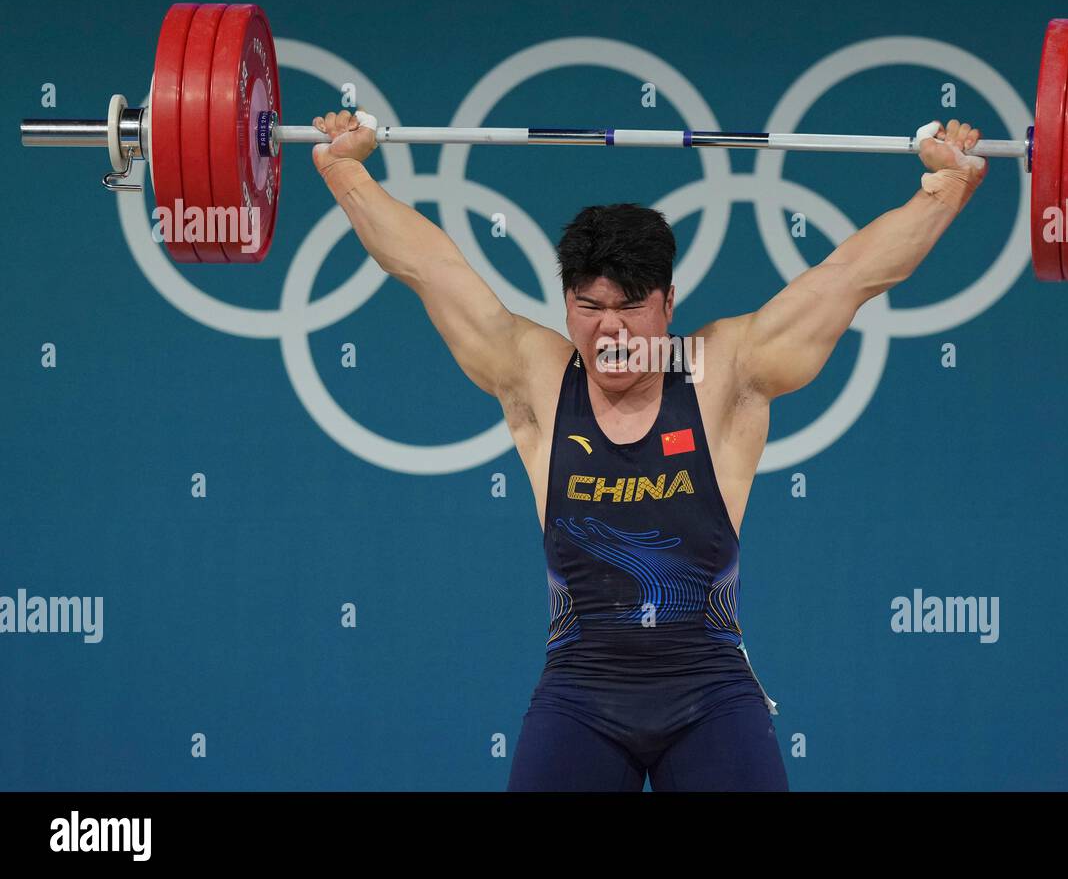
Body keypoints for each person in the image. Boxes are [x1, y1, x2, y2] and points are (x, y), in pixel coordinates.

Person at [311, 110, 987, 790]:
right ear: (566, 302)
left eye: (630, 306)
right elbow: (431, 269)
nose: (609, 328)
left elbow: (850, 277)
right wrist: (345, 170)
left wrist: (944, 188)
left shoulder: (726, 370)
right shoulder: (537, 377)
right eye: (588, 305)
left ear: (669, 302)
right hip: (580, 696)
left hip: (711, 695)